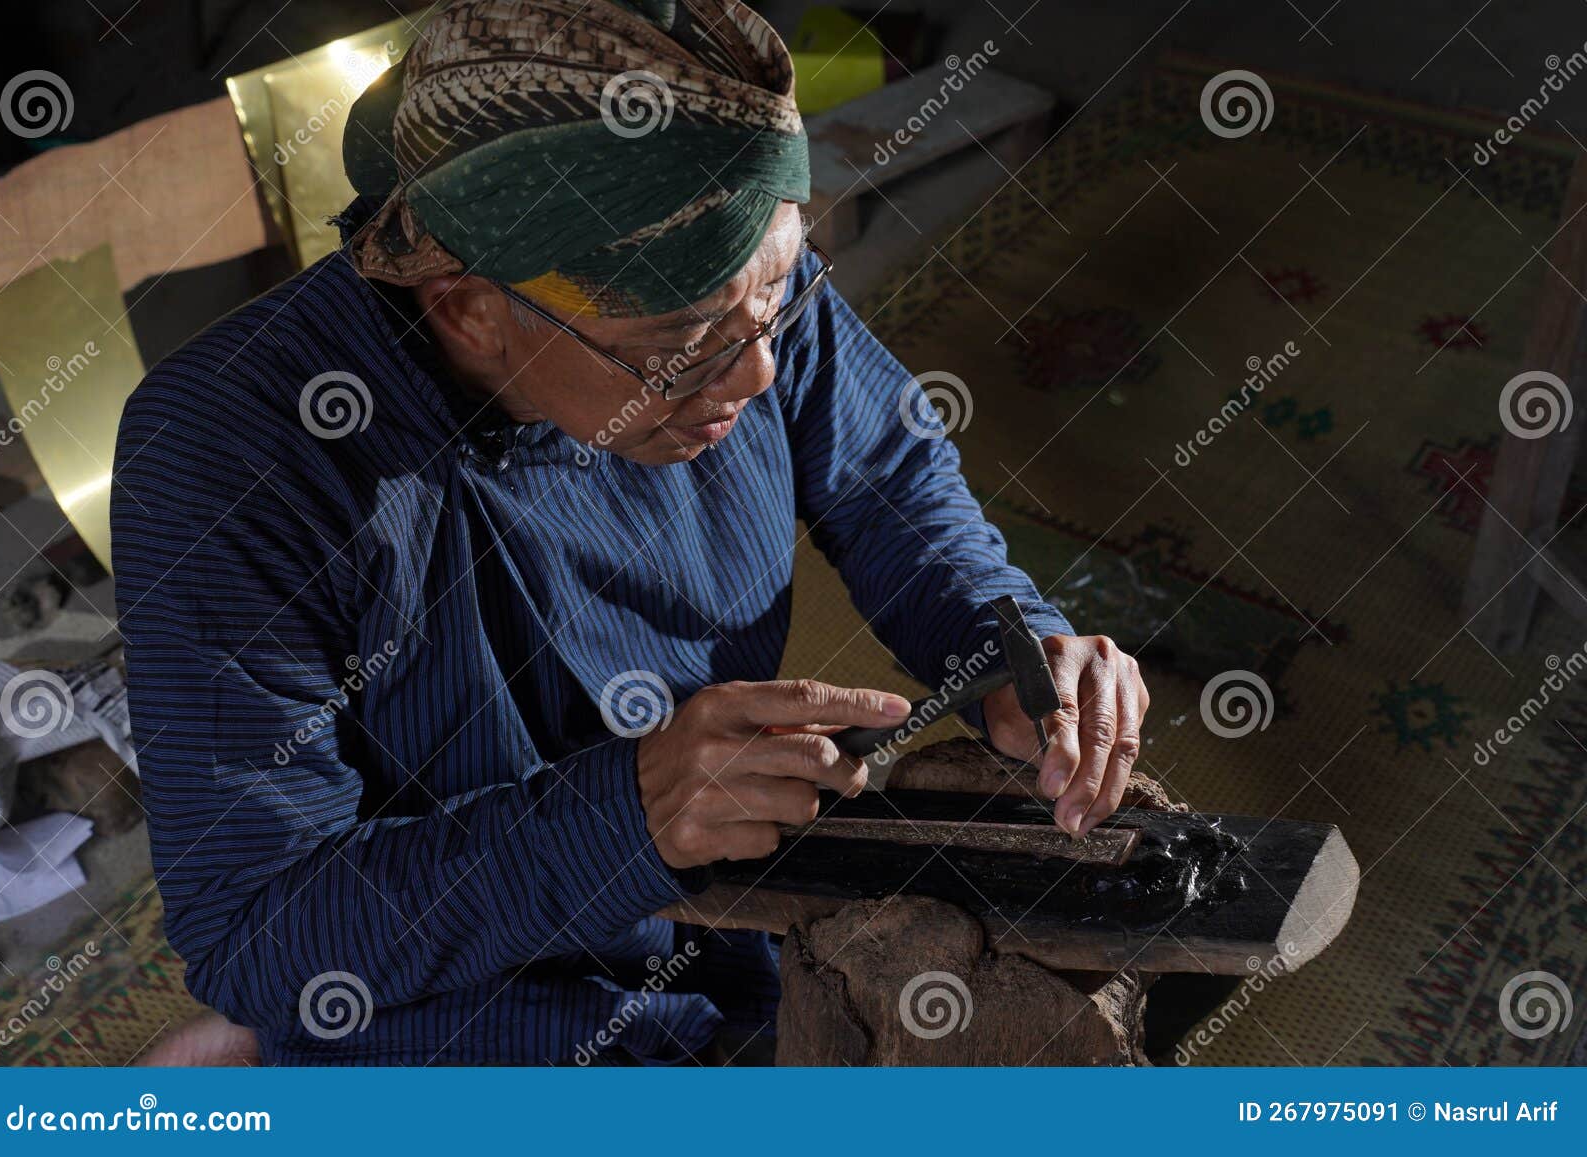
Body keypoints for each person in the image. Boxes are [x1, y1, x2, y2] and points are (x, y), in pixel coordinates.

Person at [111, 0, 1148, 1065]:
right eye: (680, 347)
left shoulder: (732, 281)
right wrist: (629, 815)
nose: (754, 374)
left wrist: (1001, 638)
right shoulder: (229, 458)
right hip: (454, 1006)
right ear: (468, 306)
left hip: (731, 905)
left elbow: (884, 472)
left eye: (778, 298)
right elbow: (254, 934)